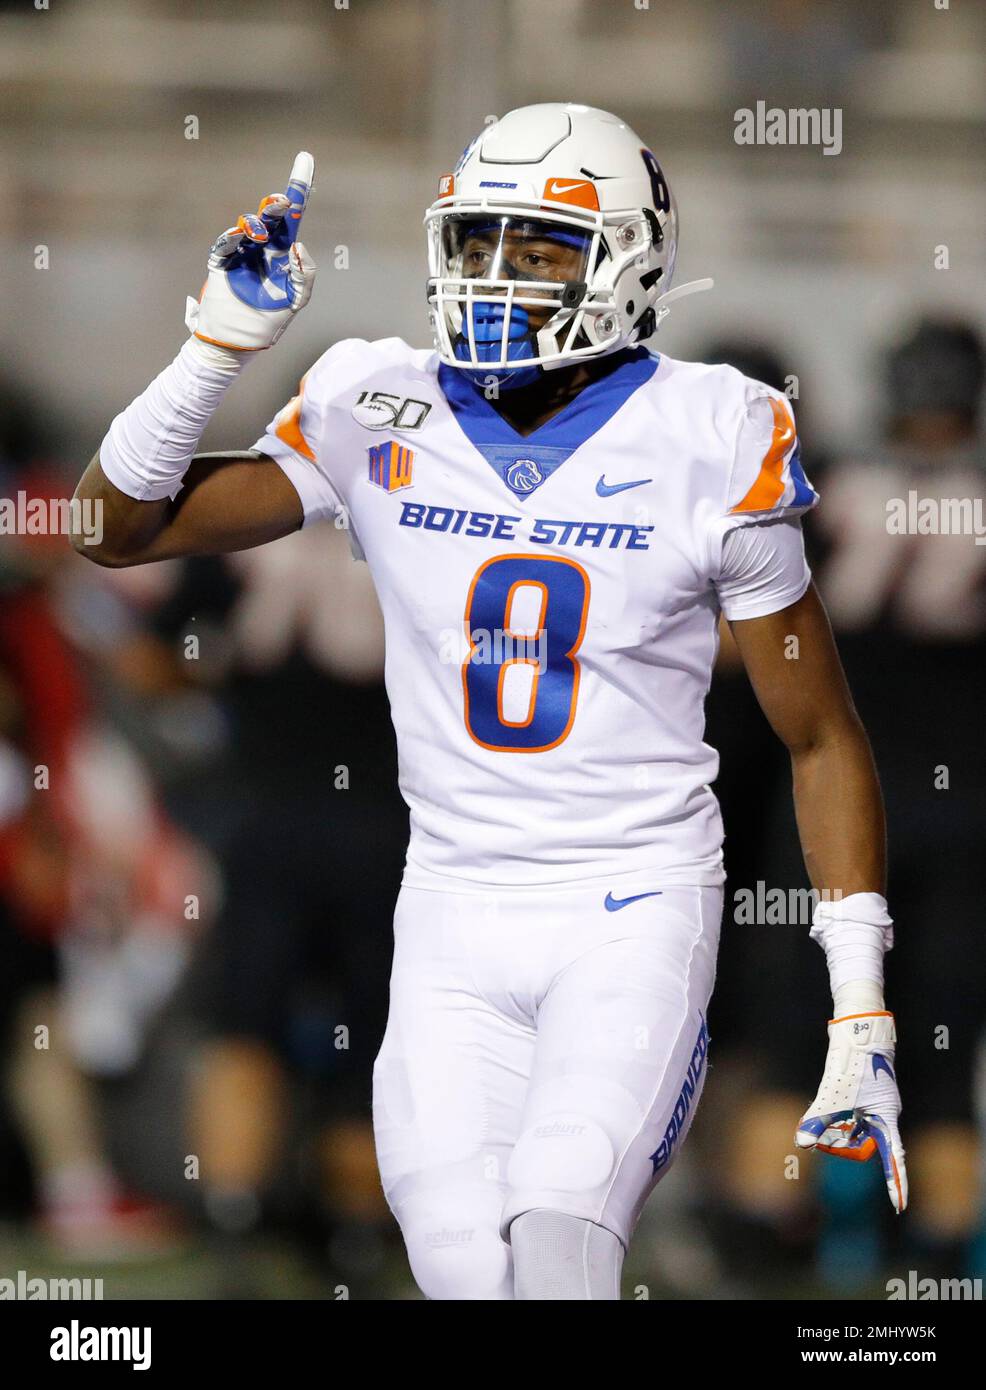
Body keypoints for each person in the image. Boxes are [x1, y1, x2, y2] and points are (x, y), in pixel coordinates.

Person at [72, 103, 905, 1300]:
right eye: (477, 243)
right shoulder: (372, 400)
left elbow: (819, 734)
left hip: (631, 901)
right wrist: (213, 351)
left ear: (628, 258)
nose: (497, 277)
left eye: (540, 248)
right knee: (466, 1271)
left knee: (560, 1236)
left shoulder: (713, 430)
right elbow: (110, 531)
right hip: (451, 906)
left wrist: (860, 1004)